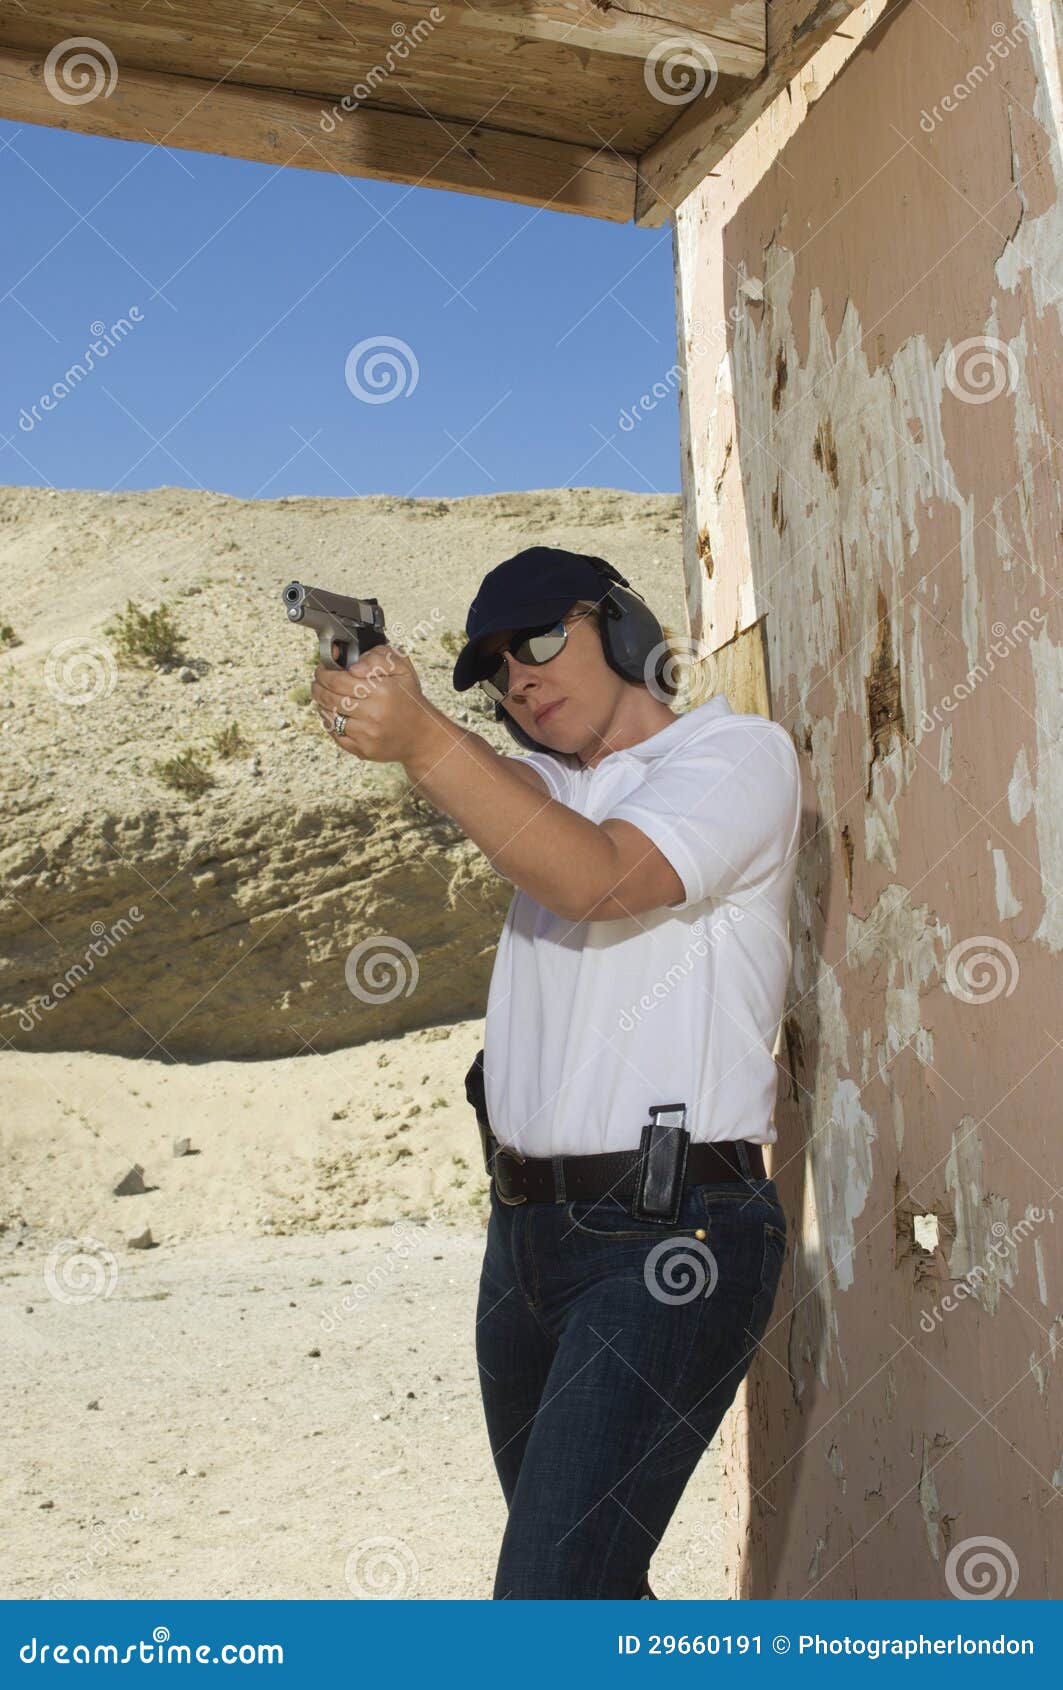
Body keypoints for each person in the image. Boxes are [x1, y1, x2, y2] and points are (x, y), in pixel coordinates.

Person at [311, 546, 801, 1600]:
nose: (518, 676)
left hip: (672, 1236)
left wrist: (422, 736)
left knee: (546, 1600)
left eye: (539, 640)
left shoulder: (736, 757)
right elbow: (514, 805)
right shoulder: (540, 786)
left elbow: (600, 876)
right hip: (525, 1240)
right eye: (493, 669)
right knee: (592, 1592)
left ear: (622, 629)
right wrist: (370, 702)